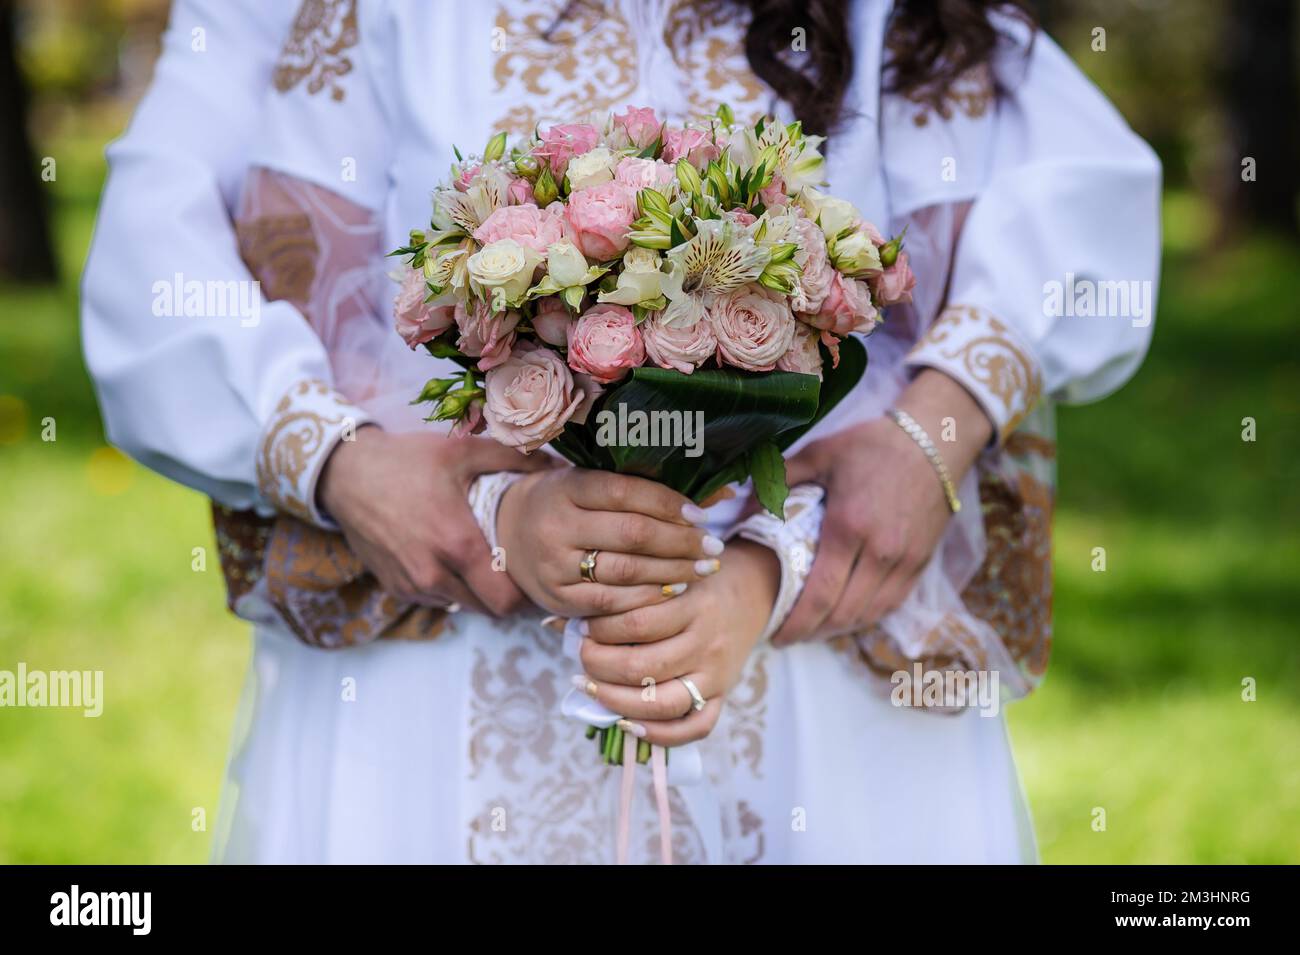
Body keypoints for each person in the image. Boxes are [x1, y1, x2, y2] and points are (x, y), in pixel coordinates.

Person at [82, 0, 1160, 863]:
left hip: (817, 668)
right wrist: (342, 462)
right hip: (436, 675)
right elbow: (156, 252)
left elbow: (1082, 190)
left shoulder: (900, 17)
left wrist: (938, 425)